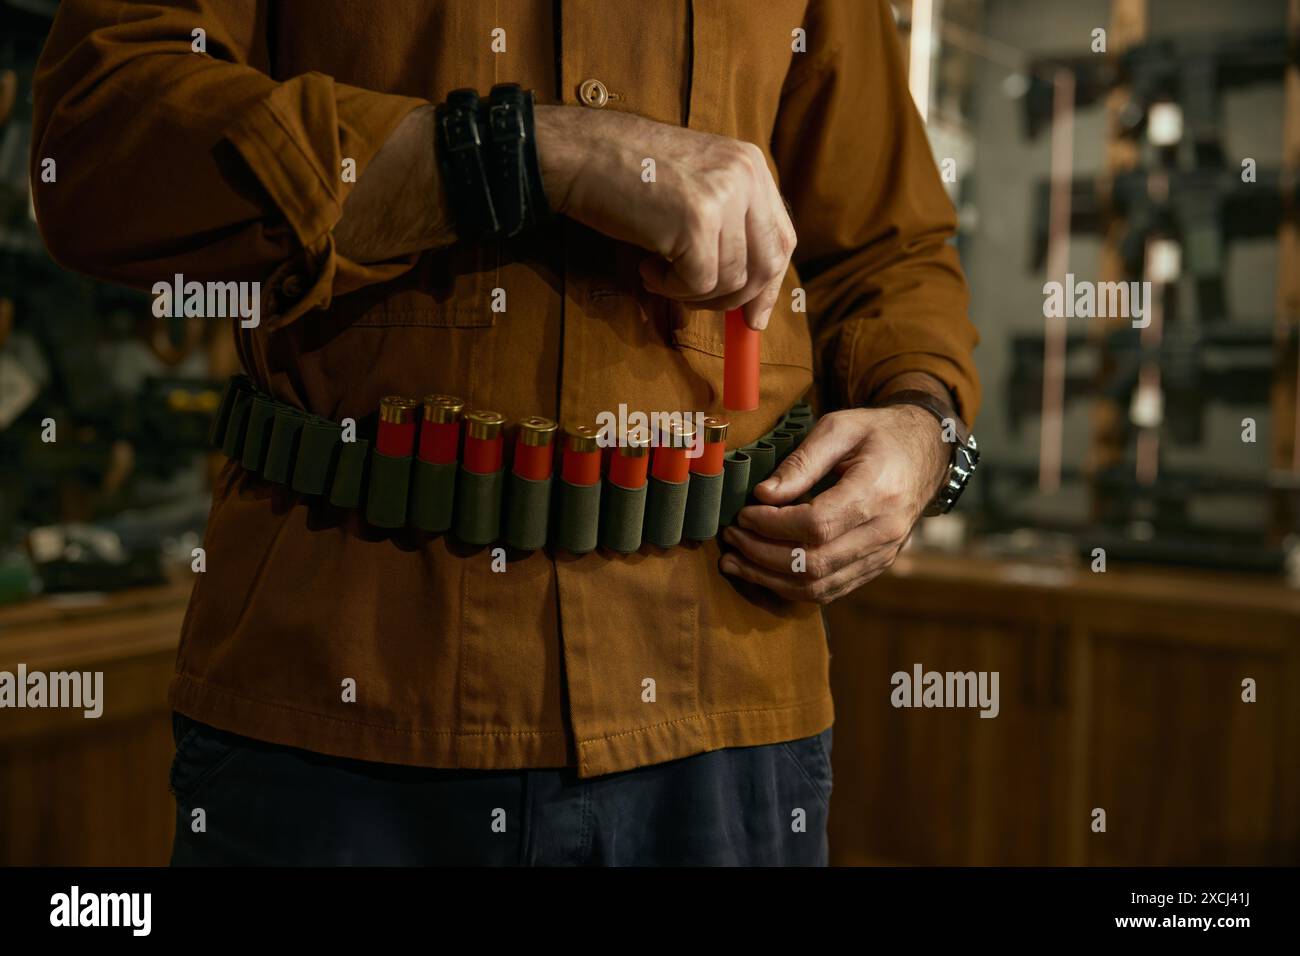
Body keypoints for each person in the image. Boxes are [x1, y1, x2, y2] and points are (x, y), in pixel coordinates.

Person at [31, 0, 980, 866]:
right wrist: (512, 153)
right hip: (346, 713)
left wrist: (924, 428)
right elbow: (100, 132)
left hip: (725, 715)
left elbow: (889, 249)